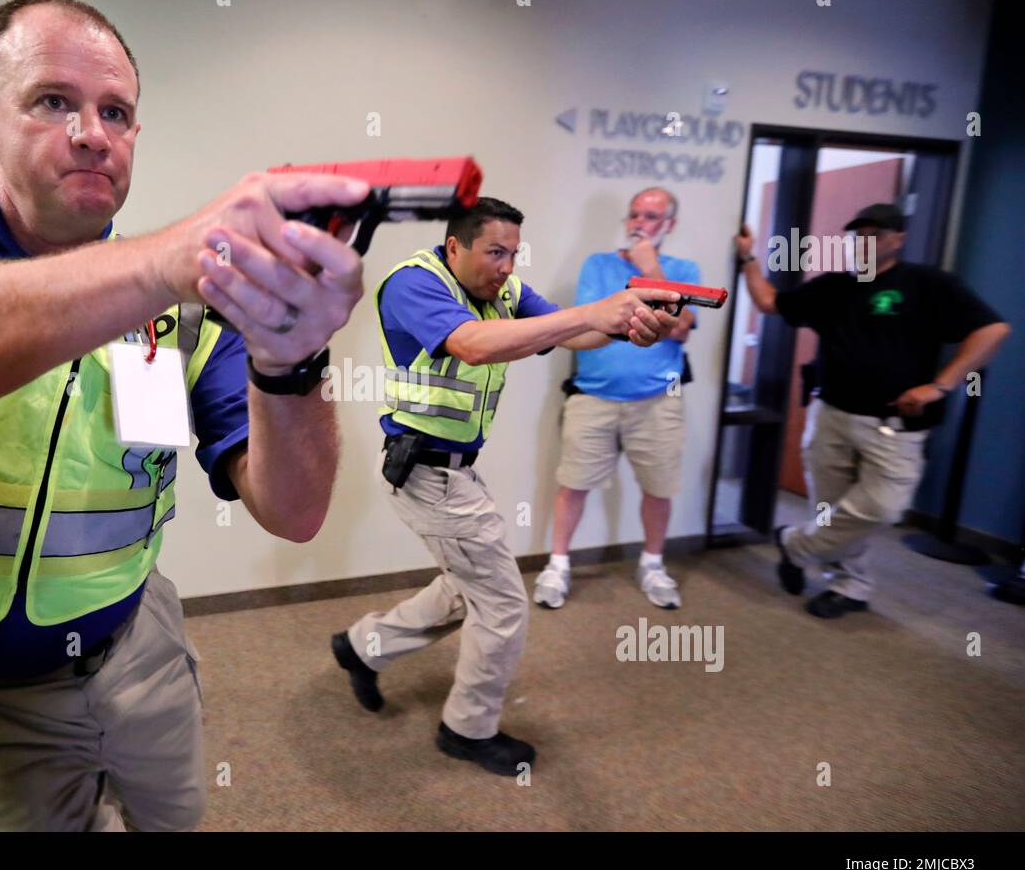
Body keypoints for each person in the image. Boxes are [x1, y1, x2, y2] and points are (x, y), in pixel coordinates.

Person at [0, 0, 369, 830]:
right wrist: (161, 259)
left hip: (138, 647)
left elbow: (296, 511)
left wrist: (292, 358)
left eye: (117, 112)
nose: (93, 132)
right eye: (54, 100)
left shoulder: (189, 300)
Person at [330, 198, 680, 774]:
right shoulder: (414, 284)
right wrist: (597, 314)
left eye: (513, 253)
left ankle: (362, 646)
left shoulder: (505, 293)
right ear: (455, 248)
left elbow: (571, 334)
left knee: (468, 586)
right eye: (495, 252)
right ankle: (466, 728)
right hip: (424, 472)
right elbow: (473, 344)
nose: (507, 266)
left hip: (453, 471)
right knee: (502, 603)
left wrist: (623, 329)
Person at [737, 203, 1010, 618]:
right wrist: (747, 258)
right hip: (830, 415)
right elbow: (771, 303)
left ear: (898, 239)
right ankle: (851, 586)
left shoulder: (926, 284)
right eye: (857, 236)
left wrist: (941, 385)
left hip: (893, 424)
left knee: (883, 506)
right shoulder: (832, 287)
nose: (863, 243)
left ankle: (794, 545)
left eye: (875, 235)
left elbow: (993, 330)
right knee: (830, 509)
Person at [533, 187, 699, 610]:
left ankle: (653, 565)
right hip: (594, 398)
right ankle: (557, 566)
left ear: (670, 225)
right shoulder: (598, 264)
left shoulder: (681, 270)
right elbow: (595, 322)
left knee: (658, 489)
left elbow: (682, 327)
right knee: (573, 484)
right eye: (635, 215)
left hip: (659, 401)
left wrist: (652, 272)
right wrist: (653, 311)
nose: (640, 223)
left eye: (652, 216)